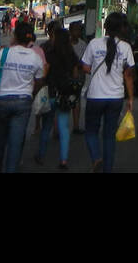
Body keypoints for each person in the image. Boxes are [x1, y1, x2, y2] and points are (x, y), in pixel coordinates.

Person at [0, 19, 47, 173]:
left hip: (1, 101)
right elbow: (40, 80)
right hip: (23, 103)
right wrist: (31, 93)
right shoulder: (35, 57)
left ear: (15, 36)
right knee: (16, 143)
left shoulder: (4, 52)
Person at [80, 11, 135, 173]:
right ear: (122, 29)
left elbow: (85, 66)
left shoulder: (94, 44)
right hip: (116, 98)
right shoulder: (125, 48)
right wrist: (130, 98)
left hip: (95, 96)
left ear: (106, 27)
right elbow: (129, 75)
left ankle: (96, 158)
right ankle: (107, 170)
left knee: (91, 131)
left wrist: (98, 72)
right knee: (109, 136)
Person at [36, 23, 80, 169]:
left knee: (47, 126)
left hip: (50, 93)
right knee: (64, 127)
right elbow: (75, 74)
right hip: (65, 94)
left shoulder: (48, 54)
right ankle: (63, 160)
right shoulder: (71, 55)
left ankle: (41, 155)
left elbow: (44, 73)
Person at [68, 21, 88, 132]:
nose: (78, 32)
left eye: (79, 30)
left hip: (79, 75)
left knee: (77, 98)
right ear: (70, 31)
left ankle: (76, 125)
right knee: (65, 98)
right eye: (76, 30)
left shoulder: (82, 44)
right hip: (66, 75)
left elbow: (85, 61)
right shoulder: (65, 44)